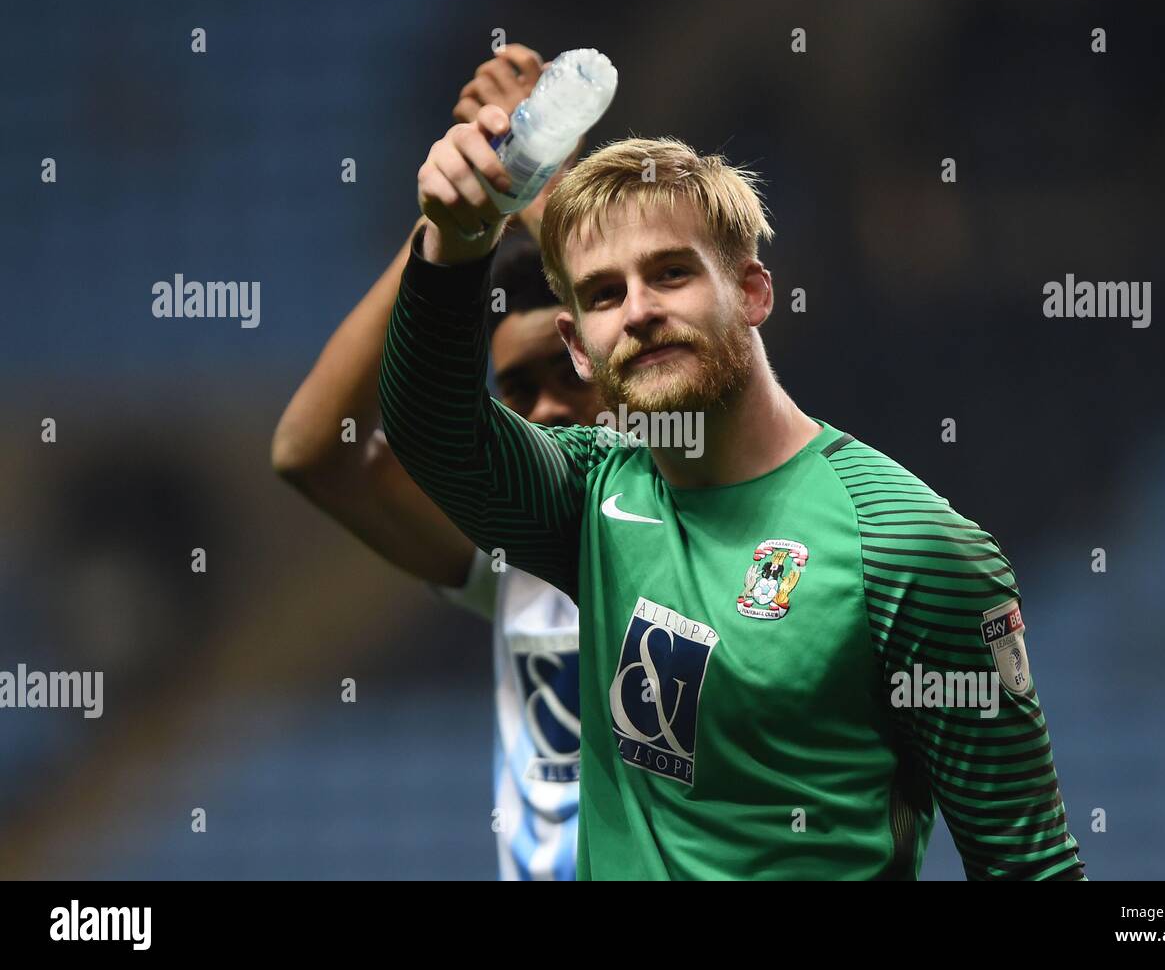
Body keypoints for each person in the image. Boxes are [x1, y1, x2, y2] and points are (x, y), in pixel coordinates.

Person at [377, 103, 1086, 880]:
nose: (640, 310)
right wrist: (457, 240)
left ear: (752, 290)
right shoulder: (590, 496)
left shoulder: (910, 548)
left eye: (671, 272)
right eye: (605, 294)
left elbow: (1030, 866)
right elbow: (432, 427)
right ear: (580, 349)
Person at [271, 45, 601, 880]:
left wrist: (539, 169)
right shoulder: (519, 553)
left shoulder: (713, 525)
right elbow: (314, 454)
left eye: (571, 373)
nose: (549, 409)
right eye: (518, 389)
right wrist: (459, 219)